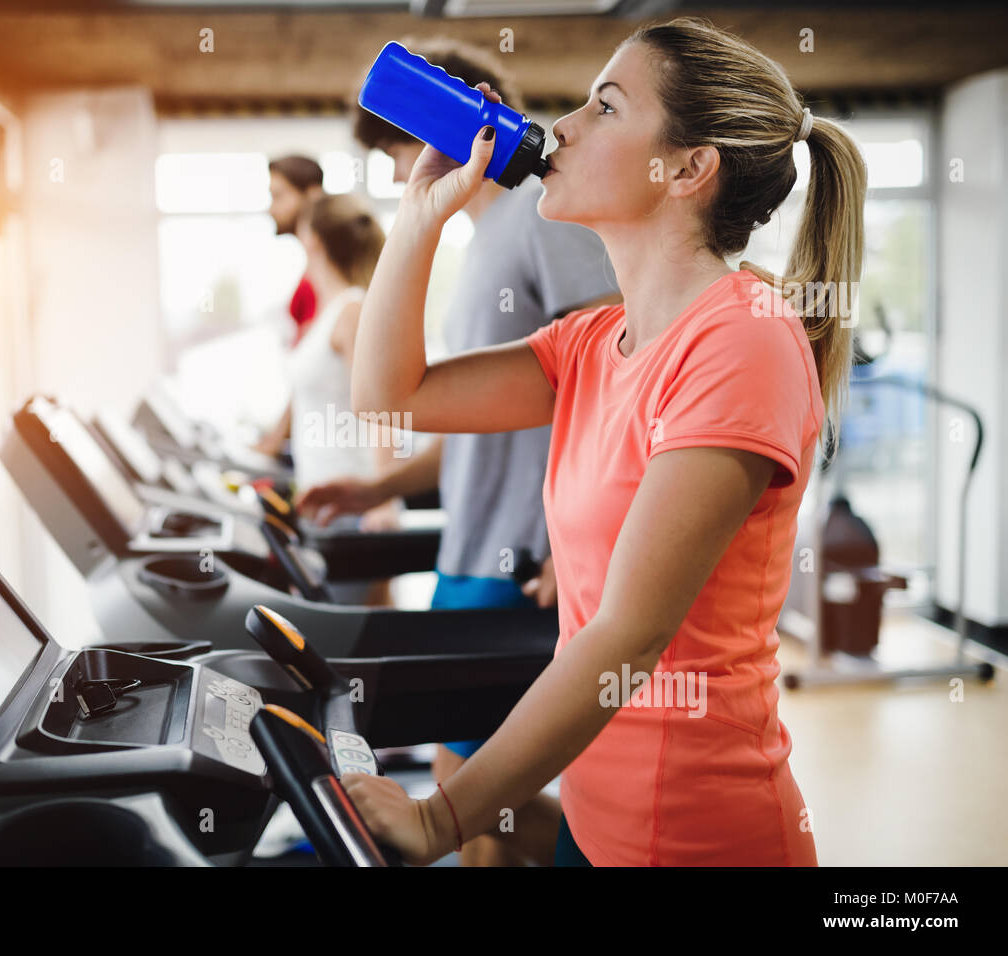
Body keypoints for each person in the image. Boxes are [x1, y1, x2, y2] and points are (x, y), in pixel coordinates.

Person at [340, 16, 865, 866]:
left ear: (690, 168)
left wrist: (443, 818)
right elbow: (389, 397)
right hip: (596, 821)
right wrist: (419, 215)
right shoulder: (592, 341)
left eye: (605, 107)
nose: (564, 127)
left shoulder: (743, 340)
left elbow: (628, 633)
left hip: (699, 836)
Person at [297, 37, 620, 865]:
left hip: (520, 557)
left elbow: (619, 379)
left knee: (471, 805)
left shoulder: (542, 217)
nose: (410, 159)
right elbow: (501, 413)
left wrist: (583, 547)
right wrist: (381, 490)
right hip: (473, 542)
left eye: (409, 136)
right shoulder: (486, 240)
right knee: (470, 795)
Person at [256, 193, 399, 537]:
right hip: (320, 494)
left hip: (350, 500)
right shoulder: (329, 310)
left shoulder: (351, 310)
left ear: (312, 239)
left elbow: (382, 410)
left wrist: (384, 498)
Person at [267, 155, 326, 347]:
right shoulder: (312, 267)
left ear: (312, 194)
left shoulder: (330, 267)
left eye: (278, 197)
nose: (271, 209)